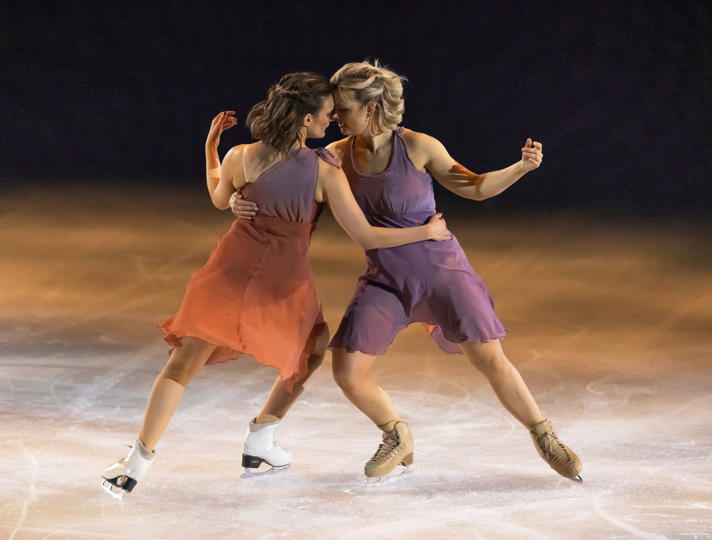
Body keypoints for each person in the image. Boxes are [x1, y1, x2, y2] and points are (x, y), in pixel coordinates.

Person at [100, 71, 450, 499]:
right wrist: (425, 234)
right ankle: (261, 438)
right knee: (314, 348)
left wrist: (213, 151)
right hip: (283, 280)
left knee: (182, 364)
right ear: (305, 120)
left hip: (228, 270)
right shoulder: (324, 169)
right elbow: (367, 236)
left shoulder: (240, 156)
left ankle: (135, 464)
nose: (333, 120)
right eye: (326, 114)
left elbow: (216, 196)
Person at [231, 61, 582, 482]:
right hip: (386, 281)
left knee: (490, 357)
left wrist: (520, 167)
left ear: (372, 107)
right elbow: (282, 179)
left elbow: (474, 186)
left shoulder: (418, 146)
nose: (336, 117)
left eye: (343, 109)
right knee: (347, 369)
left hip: (443, 272)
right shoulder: (335, 157)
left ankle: (543, 435)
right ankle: (397, 434)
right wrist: (238, 200)